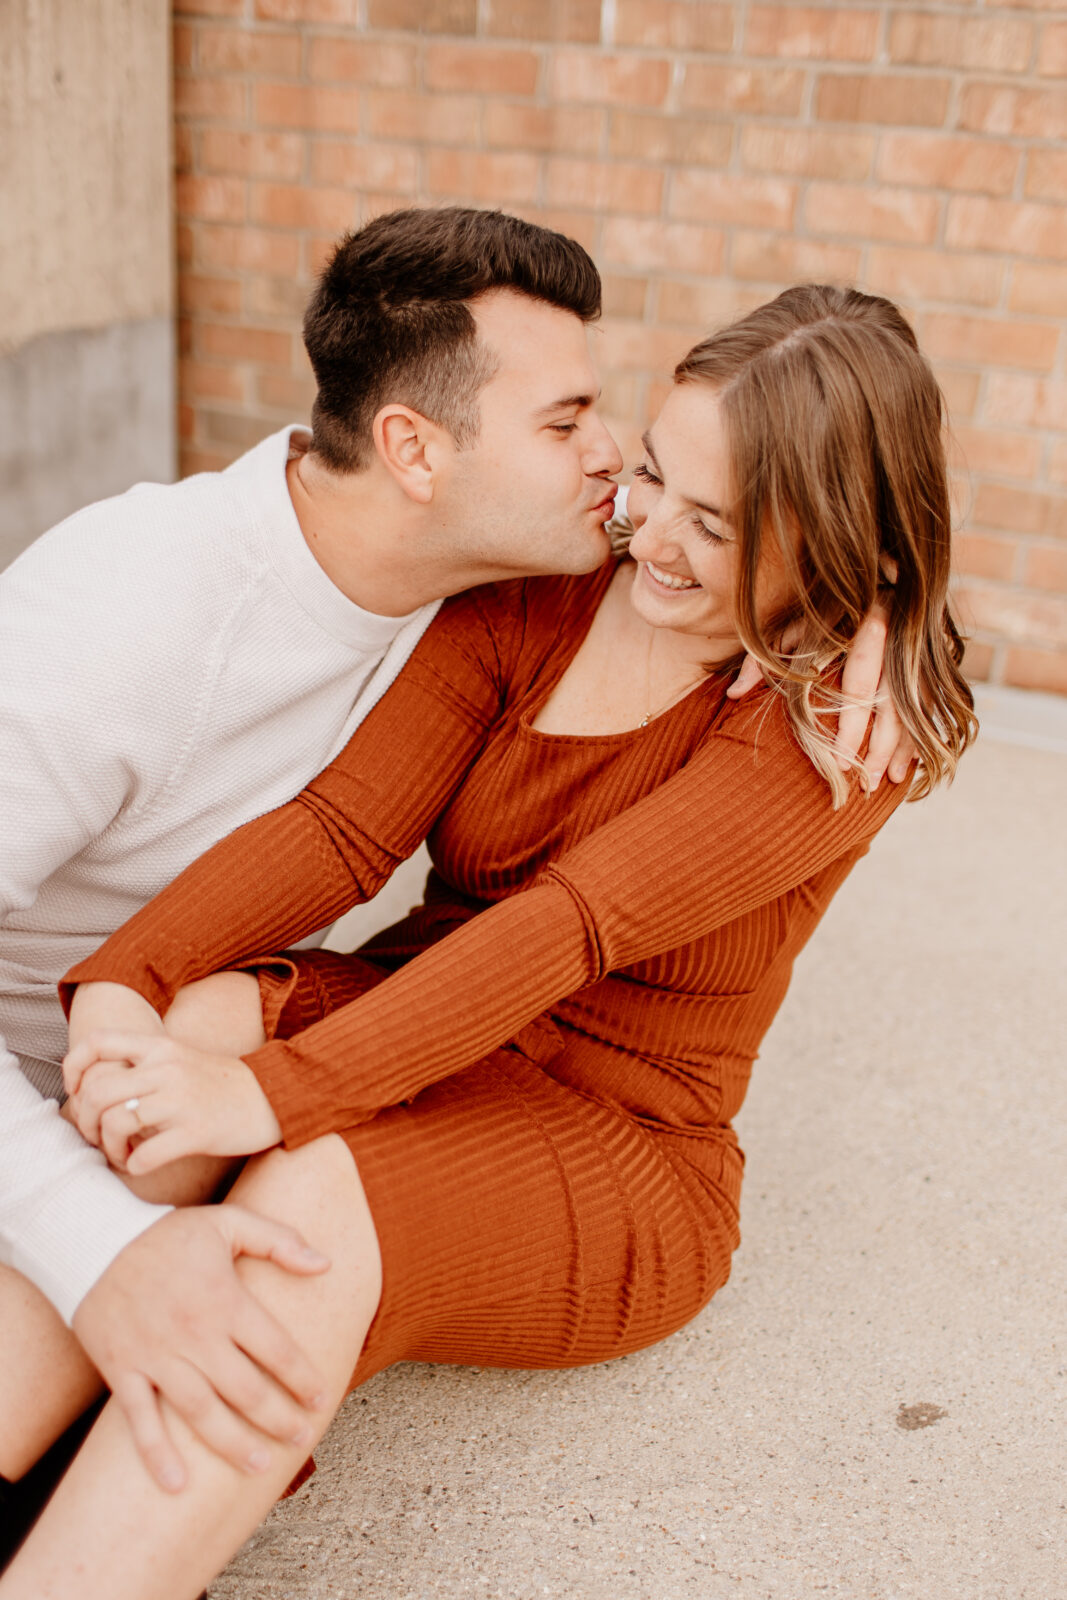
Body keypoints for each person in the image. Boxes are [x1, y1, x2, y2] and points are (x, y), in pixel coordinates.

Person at [0, 283, 974, 1599]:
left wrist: (272, 1100)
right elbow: (345, 831)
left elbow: (567, 931)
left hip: (615, 1126)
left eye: (722, 526)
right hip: (419, 999)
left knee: (307, 1196)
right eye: (655, 479)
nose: (653, 542)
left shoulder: (829, 732)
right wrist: (131, 974)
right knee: (180, 1035)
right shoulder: (544, 595)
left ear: (836, 542)